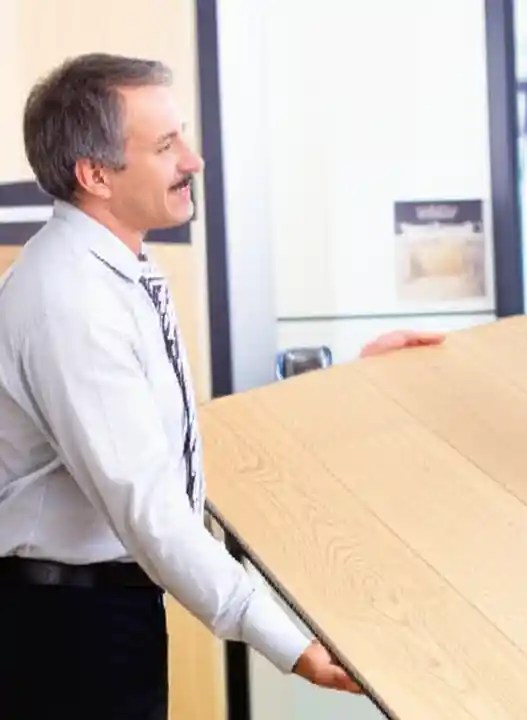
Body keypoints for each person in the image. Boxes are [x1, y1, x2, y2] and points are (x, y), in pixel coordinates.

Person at [0, 53, 360, 718]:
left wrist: (367, 377)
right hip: (68, 632)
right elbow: (146, 501)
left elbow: (176, 435)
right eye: (167, 146)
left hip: (97, 610)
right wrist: (289, 642)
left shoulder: (115, 270)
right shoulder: (71, 300)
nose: (192, 161)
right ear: (95, 174)